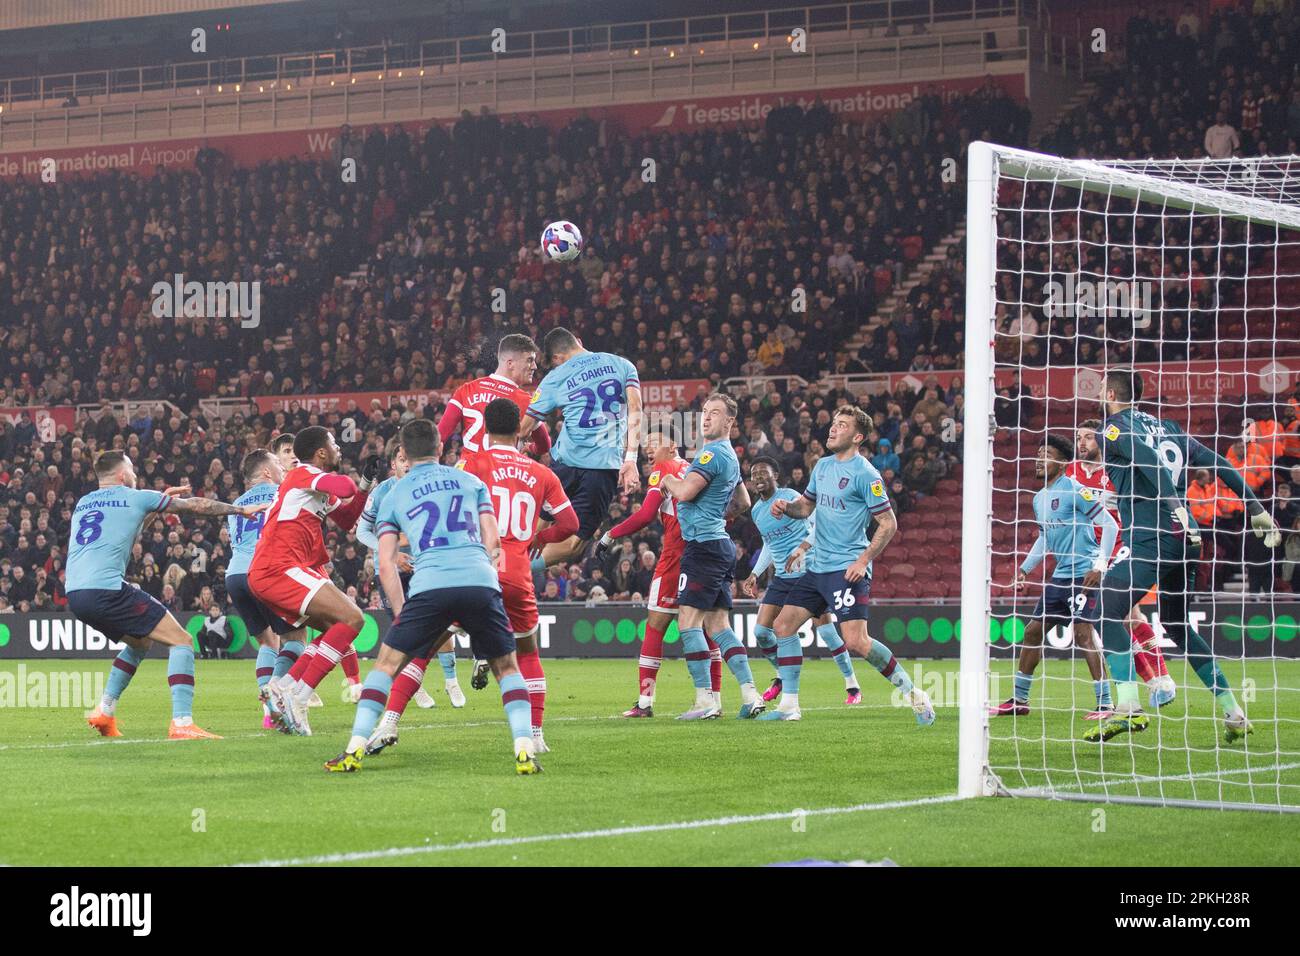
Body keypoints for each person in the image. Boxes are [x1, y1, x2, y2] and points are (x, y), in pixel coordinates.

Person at [323, 419, 542, 775]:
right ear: (440, 448)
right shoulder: (472, 481)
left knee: (386, 665)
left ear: (404, 453)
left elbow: (388, 561)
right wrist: (481, 573)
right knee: (507, 667)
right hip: (480, 581)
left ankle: (354, 748)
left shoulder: (394, 493)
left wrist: (400, 613)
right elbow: (493, 541)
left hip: (429, 586)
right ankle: (523, 749)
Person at [1086, 369, 1278, 744]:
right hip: (1188, 539)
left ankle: (1127, 706)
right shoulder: (1171, 427)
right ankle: (1233, 711)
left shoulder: (1111, 427)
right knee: (1176, 624)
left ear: (1110, 393)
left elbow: (1145, 459)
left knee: (1105, 610)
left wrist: (1172, 506)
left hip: (1155, 535)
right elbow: (1219, 463)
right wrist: (1255, 506)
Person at [758, 406, 934, 725]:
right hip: (817, 567)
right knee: (782, 626)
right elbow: (807, 506)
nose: (833, 429)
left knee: (856, 641)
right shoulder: (822, 466)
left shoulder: (866, 474)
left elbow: (888, 523)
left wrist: (863, 559)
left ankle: (914, 694)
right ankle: (789, 706)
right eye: (833, 424)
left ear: (857, 437)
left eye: (841, 425)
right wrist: (788, 508)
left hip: (846, 568)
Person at [74, 452, 268, 739]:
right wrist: (239, 511)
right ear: (121, 476)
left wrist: (156, 504)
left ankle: (105, 711)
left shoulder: (84, 503)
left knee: (139, 643)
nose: (135, 475)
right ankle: (181, 722)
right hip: (108, 589)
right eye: (132, 469)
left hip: (77, 594)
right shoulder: (136, 495)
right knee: (182, 641)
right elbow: (194, 506)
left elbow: (130, 532)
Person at [451, 398, 576, 752]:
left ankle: (388, 720)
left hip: (478, 569)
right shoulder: (541, 472)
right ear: (518, 430)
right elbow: (571, 524)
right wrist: (538, 537)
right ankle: (535, 736)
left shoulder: (470, 464)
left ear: (485, 428)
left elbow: (455, 513)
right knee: (528, 653)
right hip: (518, 571)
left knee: (431, 636)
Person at [253, 426, 375, 736]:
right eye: (334, 445)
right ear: (321, 453)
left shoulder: (312, 484)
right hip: (279, 568)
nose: (339, 449)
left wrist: (365, 486)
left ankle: (283, 687)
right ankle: (299, 697)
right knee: (353, 617)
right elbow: (343, 487)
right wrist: (353, 484)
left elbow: (347, 519)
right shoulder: (304, 473)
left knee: (340, 628)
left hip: (280, 569)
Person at [989, 435, 1120, 719]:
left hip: (1083, 573)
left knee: (1084, 634)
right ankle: (1019, 701)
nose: (1038, 459)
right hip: (1061, 576)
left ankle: (1106, 703)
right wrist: (1025, 568)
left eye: (1046, 454)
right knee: (1032, 632)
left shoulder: (1078, 490)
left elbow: (1108, 525)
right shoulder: (1039, 499)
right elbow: (1045, 537)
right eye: (1037, 454)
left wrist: (1099, 565)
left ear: (1062, 462)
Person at [596, 429, 724, 717]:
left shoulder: (663, 470)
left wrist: (609, 535)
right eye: (646, 446)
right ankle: (714, 699)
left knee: (656, 624)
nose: (649, 450)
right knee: (708, 627)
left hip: (675, 558)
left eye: (655, 444)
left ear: (673, 445)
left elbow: (644, 515)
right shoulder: (694, 470)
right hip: (705, 554)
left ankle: (645, 702)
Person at [658, 393, 764, 720]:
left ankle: (705, 701)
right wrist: (717, 513)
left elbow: (686, 491)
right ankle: (750, 694)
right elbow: (743, 501)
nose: (706, 418)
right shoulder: (729, 456)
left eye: (714, 413)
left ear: (729, 422)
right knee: (718, 625)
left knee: (688, 622)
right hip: (720, 545)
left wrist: (668, 480)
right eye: (704, 412)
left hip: (703, 547)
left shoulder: (711, 454)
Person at [1069, 421, 1176, 709]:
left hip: (1116, 550)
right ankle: (1157, 682)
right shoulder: (1071, 473)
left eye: (1088, 437)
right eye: (1079, 437)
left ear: (1101, 442)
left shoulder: (1116, 472)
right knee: (1121, 619)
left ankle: (1159, 681)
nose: (1082, 443)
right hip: (1086, 555)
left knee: (1126, 616)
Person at [740, 457, 861, 706]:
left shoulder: (793, 497)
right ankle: (782, 675)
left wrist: (804, 548)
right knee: (762, 632)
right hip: (783, 578)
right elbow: (770, 545)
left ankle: (852, 684)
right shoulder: (757, 511)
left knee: (827, 632)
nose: (758, 477)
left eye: (763, 473)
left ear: (776, 475)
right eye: (754, 474)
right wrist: (755, 573)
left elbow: (820, 525)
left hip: (810, 573)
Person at [521, 326, 642, 567]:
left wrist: (529, 449)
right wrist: (630, 460)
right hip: (602, 467)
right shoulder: (622, 365)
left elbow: (524, 428)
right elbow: (636, 410)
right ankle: (521, 568)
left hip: (563, 465)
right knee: (575, 544)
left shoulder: (554, 377)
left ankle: (507, 567)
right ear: (578, 341)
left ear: (556, 358)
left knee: (535, 525)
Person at [355, 437, 453, 710]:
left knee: (441, 623)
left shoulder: (430, 487)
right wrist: (391, 553)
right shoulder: (382, 492)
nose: (406, 464)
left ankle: (451, 680)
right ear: (393, 464)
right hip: (389, 570)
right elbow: (362, 531)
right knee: (405, 628)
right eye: (401, 460)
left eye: (410, 459)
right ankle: (416, 687)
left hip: (425, 567)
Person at [224, 449, 311, 729]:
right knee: (296, 638)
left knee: (266, 642)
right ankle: (275, 693)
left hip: (235, 575)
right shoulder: (283, 492)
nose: (281, 468)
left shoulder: (237, 503)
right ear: (266, 472)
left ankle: (267, 712)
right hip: (266, 572)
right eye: (277, 463)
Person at [438, 333, 551, 457]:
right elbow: (544, 445)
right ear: (510, 364)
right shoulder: (526, 402)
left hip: (468, 471)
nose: (534, 366)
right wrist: (531, 448)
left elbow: (440, 434)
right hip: (504, 473)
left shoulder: (466, 389)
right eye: (529, 360)